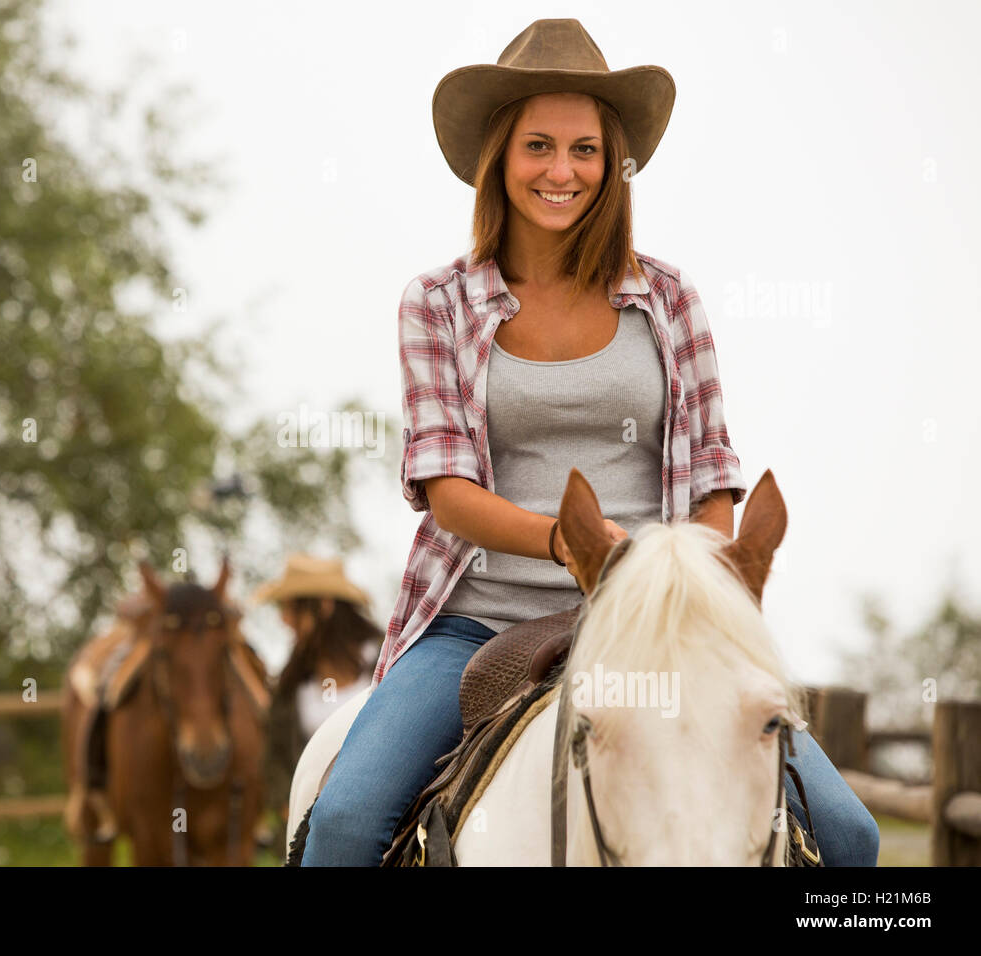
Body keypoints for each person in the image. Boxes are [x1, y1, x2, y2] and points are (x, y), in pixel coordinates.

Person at [300, 19, 880, 866]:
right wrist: (576, 547)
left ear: (613, 166)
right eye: (538, 145)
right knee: (347, 822)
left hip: (652, 622)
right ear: (501, 156)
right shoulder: (437, 303)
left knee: (849, 836)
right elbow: (448, 489)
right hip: (477, 621)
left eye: (585, 150)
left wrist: (688, 591)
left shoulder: (670, 300)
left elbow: (713, 477)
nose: (561, 171)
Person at [251, 554, 382, 826]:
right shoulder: (291, 685)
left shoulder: (384, 660)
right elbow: (274, 754)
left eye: (291, 609)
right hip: (310, 828)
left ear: (323, 606)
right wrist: (288, 806)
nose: (283, 620)